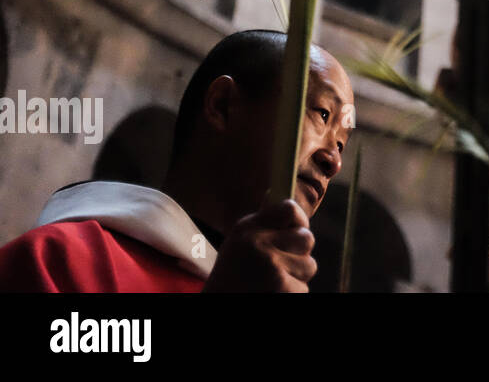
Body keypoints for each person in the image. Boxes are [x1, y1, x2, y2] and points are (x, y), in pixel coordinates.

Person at [0, 30, 354, 292]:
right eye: (323, 114)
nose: (333, 161)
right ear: (223, 105)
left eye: (341, 143)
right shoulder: (59, 260)